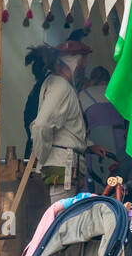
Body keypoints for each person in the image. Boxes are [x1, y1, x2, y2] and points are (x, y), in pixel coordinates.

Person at [32, 39, 93, 202]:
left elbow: (67, 129)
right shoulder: (61, 86)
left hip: (63, 162)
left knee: (63, 220)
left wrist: (89, 145)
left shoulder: (56, 83)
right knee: (62, 223)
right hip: (63, 164)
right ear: (74, 62)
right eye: (83, 61)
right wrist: (42, 154)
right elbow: (41, 125)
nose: (84, 66)